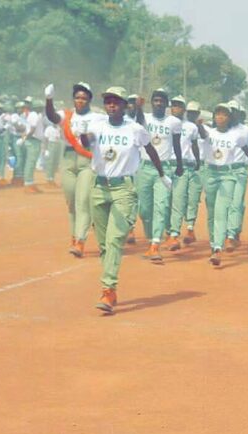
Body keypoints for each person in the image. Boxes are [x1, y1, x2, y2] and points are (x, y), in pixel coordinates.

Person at [85, 87, 167, 313]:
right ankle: (109, 282)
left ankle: (108, 289)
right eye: (108, 101)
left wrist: (162, 174)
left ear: (124, 106)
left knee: (114, 240)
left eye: (116, 102)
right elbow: (87, 143)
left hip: (123, 189)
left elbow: (150, 150)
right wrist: (84, 138)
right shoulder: (97, 125)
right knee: (103, 244)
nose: (112, 105)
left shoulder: (135, 129)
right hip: (99, 186)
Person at [45, 82, 107, 257]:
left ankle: (80, 241)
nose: (80, 100)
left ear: (89, 99)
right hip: (68, 159)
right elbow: (51, 116)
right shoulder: (67, 116)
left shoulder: (97, 117)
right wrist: (48, 99)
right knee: (71, 203)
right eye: (77, 97)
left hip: (87, 160)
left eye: (84, 98)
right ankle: (74, 237)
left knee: (83, 201)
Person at [199, 103, 248, 266]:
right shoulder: (209, 132)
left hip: (227, 175)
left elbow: (247, 149)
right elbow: (202, 134)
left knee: (221, 210)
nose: (220, 117)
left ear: (229, 118)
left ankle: (217, 248)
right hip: (210, 173)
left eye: (224, 114)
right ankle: (213, 242)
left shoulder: (236, 135)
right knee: (211, 211)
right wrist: (198, 125)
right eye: (218, 114)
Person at [135, 88, 183, 262]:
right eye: (155, 100)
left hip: (164, 169)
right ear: (151, 102)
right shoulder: (145, 118)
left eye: (162, 101)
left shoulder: (174, 122)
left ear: (166, 104)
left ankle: (155, 244)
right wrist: (138, 107)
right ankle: (150, 240)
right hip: (145, 168)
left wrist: (179, 164)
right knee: (145, 210)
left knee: (161, 206)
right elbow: (138, 121)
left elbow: (177, 144)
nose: (158, 103)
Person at [165, 96, 202, 251]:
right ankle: (168, 231)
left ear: (184, 109)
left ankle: (174, 234)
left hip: (184, 167)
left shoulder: (191, 127)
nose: (176, 108)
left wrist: (198, 161)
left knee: (179, 201)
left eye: (179, 106)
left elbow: (194, 146)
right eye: (173, 105)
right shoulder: (163, 123)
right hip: (166, 165)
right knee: (165, 201)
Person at [225, 102, 248, 251]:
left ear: (239, 114)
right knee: (226, 204)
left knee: (236, 202)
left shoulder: (247, 131)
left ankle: (231, 235)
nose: (231, 113)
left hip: (240, 169)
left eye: (234, 111)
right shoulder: (221, 130)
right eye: (229, 110)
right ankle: (230, 231)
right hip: (223, 171)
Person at [21, 98, 45, 193]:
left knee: (31, 162)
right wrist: (27, 137)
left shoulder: (34, 115)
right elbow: (32, 129)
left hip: (34, 140)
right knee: (30, 162)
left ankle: (30, 182)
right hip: (33, 140)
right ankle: (28, 183)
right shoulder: (34, 115)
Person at [42, 120, 63, 187]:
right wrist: (45, 149)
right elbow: (45, 139)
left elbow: (60, 137)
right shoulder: (49, 128)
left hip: (57, 145)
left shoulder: (58, 128)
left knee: (55, 162)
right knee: (50, 162)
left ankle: (52, 179)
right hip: (51, 144)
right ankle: (48, 179)